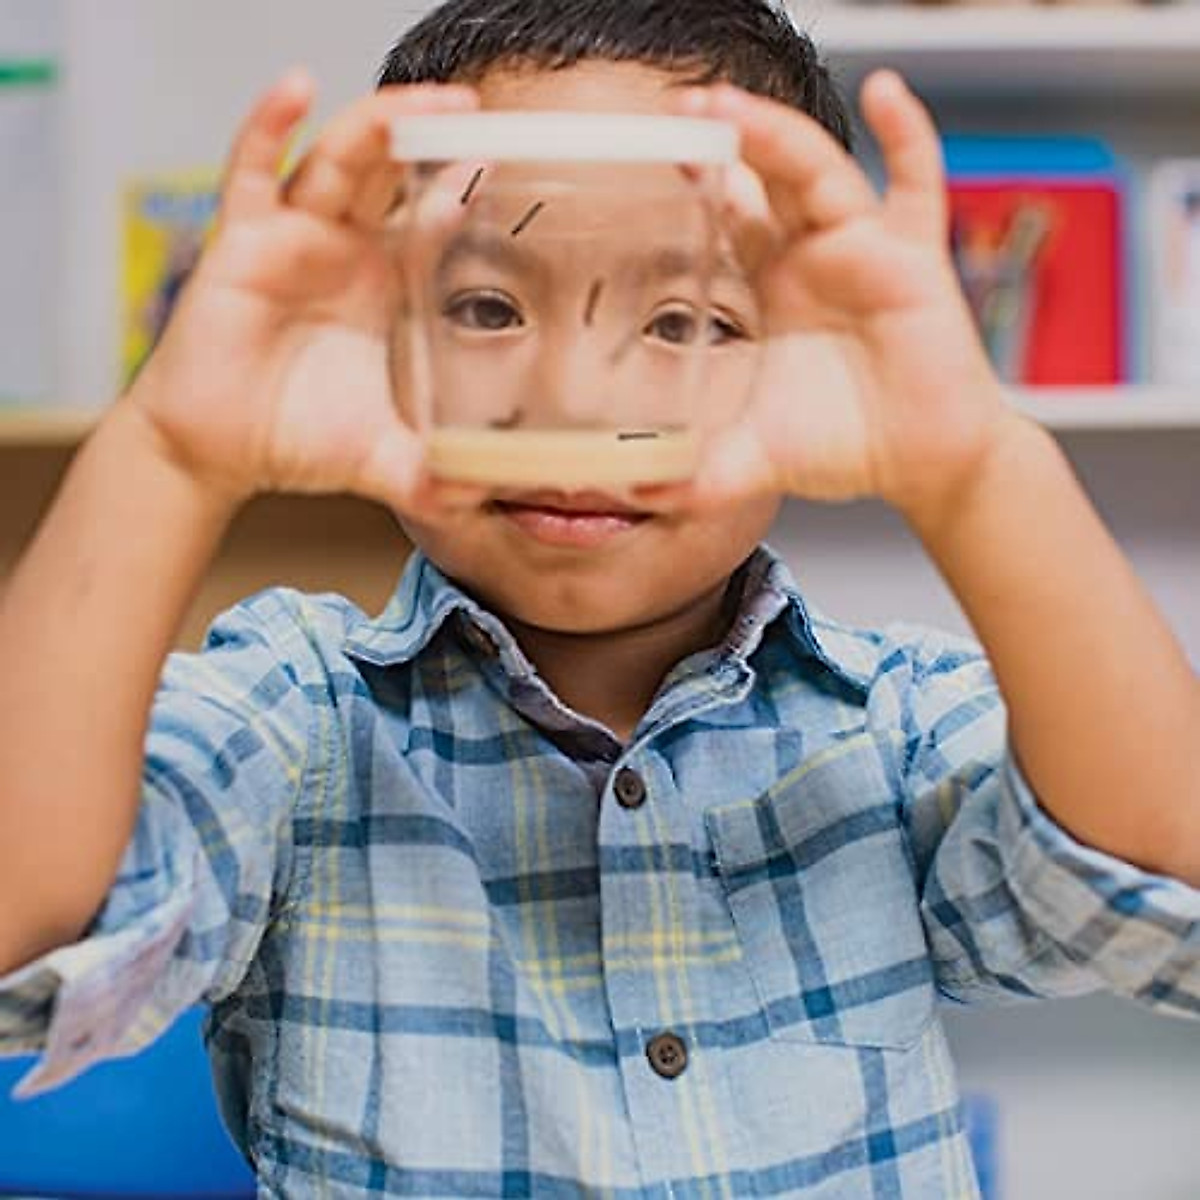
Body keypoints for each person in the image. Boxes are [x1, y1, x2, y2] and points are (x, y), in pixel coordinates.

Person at [2, 1, 1199, 1195]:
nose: (574, 393)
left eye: (685, 319)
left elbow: (1164, 877)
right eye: (487, 308)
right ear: (384, 333)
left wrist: (978, 467)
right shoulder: (298, 716)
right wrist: (167, 454)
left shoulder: (895, 718)